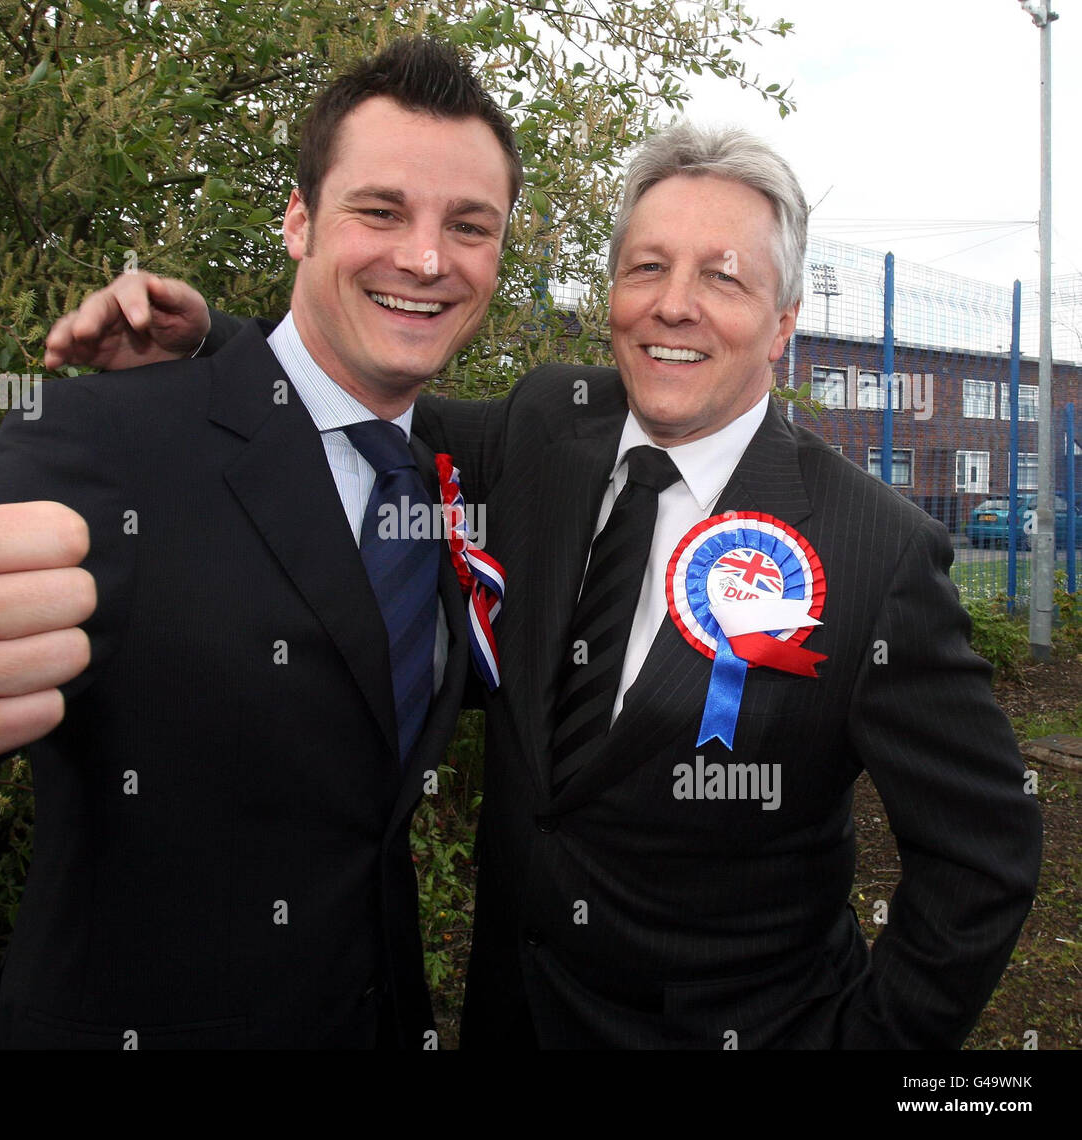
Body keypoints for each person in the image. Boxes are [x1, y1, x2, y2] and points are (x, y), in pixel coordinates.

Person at [54, 124, 1041, 1049]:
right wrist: (212, 345)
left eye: (721, 279)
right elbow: (389, 417)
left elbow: (983, 856)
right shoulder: (544, 424)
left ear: (781, 323)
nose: (673, 304)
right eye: (646, 267)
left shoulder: (878, 555)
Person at [0, 37, 521, 1048]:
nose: (426, 258)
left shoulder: (454, 465)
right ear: (299, 220)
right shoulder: (108, 439)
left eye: (467, 226)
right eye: (379, 210)